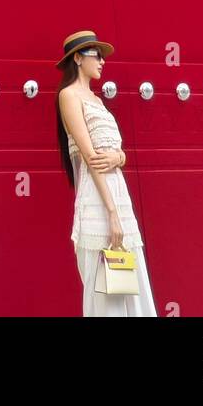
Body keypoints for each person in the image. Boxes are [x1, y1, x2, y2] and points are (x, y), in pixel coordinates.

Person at [55, 29, 157, 317]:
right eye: (95, 55)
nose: (102, 61)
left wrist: (120, 156)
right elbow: (90, 157)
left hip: (117, 195)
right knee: (105, 289)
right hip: (99, 200)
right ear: (77, 58)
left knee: (129, 281)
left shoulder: (98, 100)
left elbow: (114, 153)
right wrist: (111, 213)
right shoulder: (69, 95)